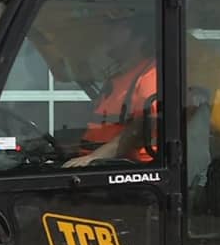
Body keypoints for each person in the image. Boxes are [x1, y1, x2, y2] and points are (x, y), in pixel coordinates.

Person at [65, 12, 159, 168]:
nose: (107, 35)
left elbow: (141, 128)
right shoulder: (117, 77)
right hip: (101, 164)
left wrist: (93, 158)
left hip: (130, 172)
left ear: (139, 37)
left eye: (116, 28)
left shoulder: (151, 75)